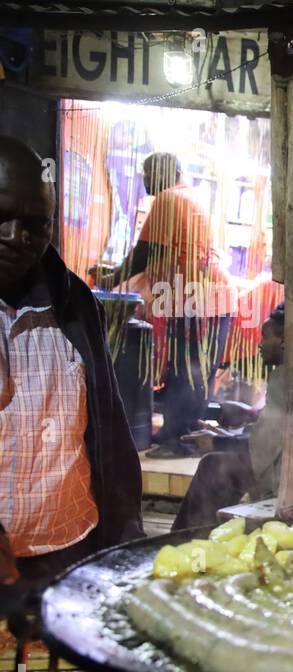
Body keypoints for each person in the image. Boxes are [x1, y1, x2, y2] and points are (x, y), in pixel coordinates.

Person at [0, 136, 143, 587]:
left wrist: (124, 534)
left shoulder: (75, 303)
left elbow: (107, 427)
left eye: (36, 224)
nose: (16, 237)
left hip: (66, 548)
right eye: (1, 216)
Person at [93, 152, 229, 458]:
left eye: (150, 173)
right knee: (195, 372)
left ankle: (176, 441)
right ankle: (186, 436)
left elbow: (143, 254)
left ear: (171, 172)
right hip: (208, 300)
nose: (145, 180)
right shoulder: (188, 197)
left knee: (185, 371)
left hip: (197, 302)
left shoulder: (168, 200)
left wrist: (111, 279)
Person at [172, 308, 293, 532]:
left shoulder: (291, 375)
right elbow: (274, 433)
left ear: (284, 341)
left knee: (213, 466)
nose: (260, 344)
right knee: (224, 463)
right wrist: (229, 433)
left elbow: (267, 446)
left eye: (265, 336)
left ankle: (184, 539)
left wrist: (217, 442)